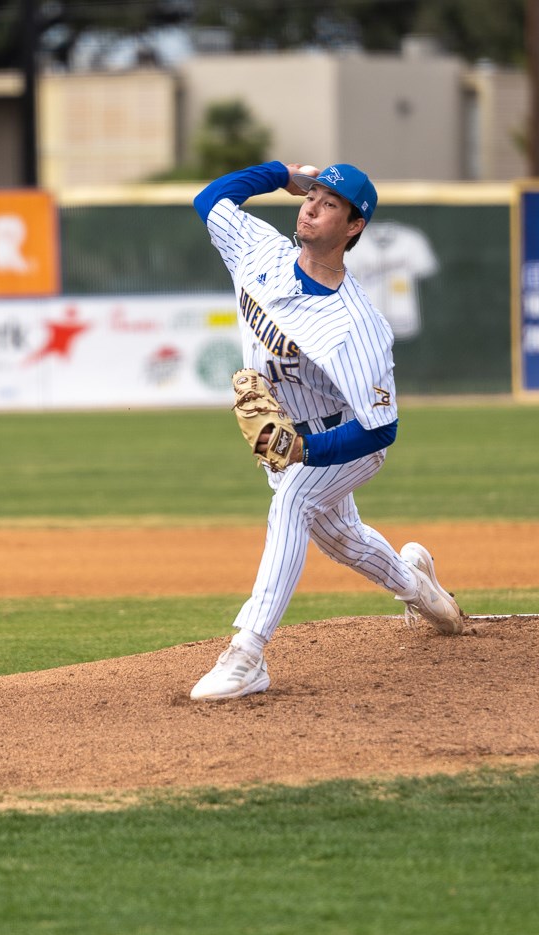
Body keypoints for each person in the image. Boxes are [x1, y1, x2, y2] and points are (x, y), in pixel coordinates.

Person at [187, 159, 466, 701]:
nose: (311, 207)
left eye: (329, 203)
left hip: (343, 439)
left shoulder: (356, 326)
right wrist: (280, 173)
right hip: (289, 437)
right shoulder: (260, 251)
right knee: (343, 541)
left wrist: (305, 450)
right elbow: (210, 201)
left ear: (354, 226)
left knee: (293, 504)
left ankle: (248, 654)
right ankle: (421, 589)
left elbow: (380, 430)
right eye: (311, 196)